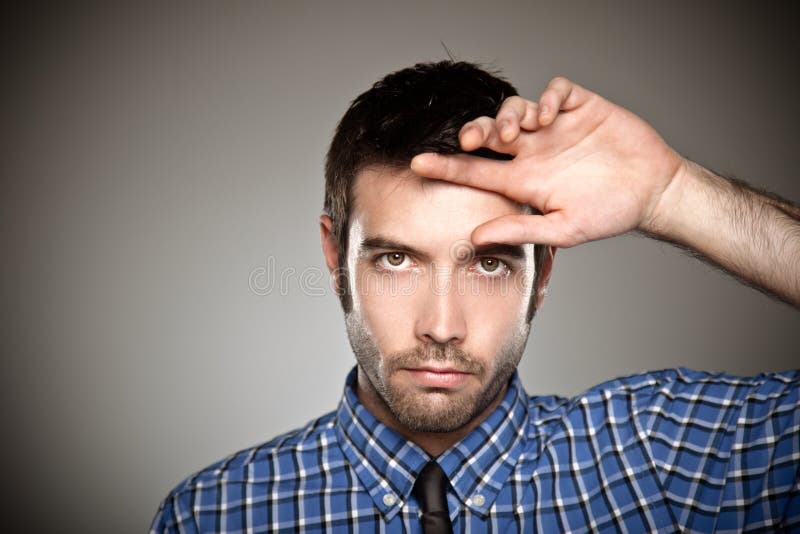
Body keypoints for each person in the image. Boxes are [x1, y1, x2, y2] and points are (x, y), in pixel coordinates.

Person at [151, 61, 799, 533]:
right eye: (397, 260)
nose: (442, 326)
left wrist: (674, 196)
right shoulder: (214, 516)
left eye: (488, 264)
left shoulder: (665, 460)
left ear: (542, 272)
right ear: (334, 258)